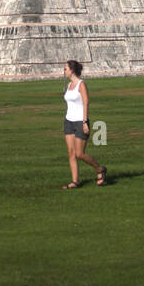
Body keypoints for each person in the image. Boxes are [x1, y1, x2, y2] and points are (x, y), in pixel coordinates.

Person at [62, 60, 105, 189]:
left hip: (80, 121)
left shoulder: (81, 84)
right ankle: (75, 181)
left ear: (72, 70)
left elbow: (86, 102)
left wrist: (85, 122)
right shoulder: (68, 85)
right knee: (71, 153)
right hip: (69, 121)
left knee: (80, 153)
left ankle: (100, 169)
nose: (64, 71)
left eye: (65, 68)